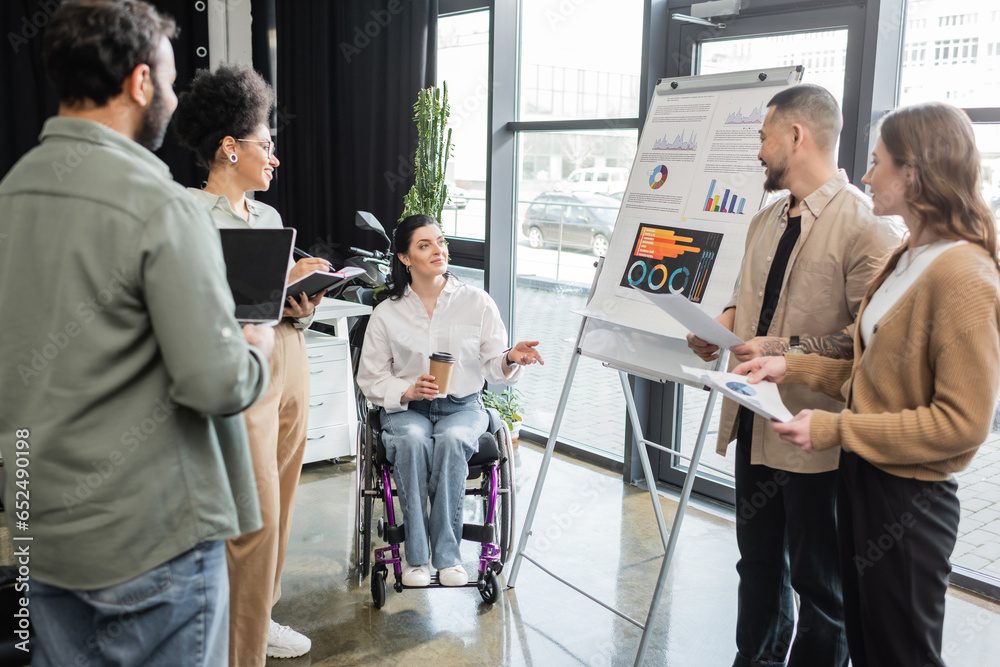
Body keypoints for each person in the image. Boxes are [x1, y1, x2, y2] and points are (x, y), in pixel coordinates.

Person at [0, 2, 273, 665]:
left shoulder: (12, 193)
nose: (175, 99)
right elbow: (213, 381)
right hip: (154, 540)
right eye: (172, 81)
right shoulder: (158, 203)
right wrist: (255, 348)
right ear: (140, 83)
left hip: (44, 530)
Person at [736, 102, 1000, 667]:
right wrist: (792, 366)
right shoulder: (907, 257)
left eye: (878, 162)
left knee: (900, 653)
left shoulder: (963, 273)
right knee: (868, 645)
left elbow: (964, 424)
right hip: (866, 478)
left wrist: (834, 428)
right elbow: (866, 371)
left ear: (914, 172)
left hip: (909, 497)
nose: (865, 174)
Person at [686, 84, 901, 667]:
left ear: (796, 137)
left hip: (817, 437)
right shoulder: (764, 219)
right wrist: (719, 326)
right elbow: (746, 299)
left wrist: (776, 346)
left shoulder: (867, 228)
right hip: (756, 424)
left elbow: (867, 342)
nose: (758, 149)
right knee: (756, 566)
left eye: (763, 136)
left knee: (820, 586)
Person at [172, 64, 325, 664]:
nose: (275, 159)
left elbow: (272, 300)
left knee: (284, 498)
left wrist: (302, 299)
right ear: (230, 148)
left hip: (288, 353)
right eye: (267, 144)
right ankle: (237, 645)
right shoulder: (185, 212)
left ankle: (259, 616)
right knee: (250, 512)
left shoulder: (267, 219)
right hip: (239, 365)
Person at [356, 214, 543, 587]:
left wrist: (511, 357)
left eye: (440, 241)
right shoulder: (387, 313)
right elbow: (371, 378)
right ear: (405, 258)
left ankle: (448, 557)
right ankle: (416, 560)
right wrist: (407, 391)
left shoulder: (476, 302)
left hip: (462, 406)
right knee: (410, 442)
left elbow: (493, 365)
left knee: (454, 441)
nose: (438, 250)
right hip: (409, 410)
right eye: (424, 245)